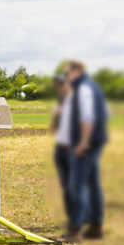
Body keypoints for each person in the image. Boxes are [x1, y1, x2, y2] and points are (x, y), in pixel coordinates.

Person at [65, 60, 108, 242]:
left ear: (76, 71)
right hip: (96, 141)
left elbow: (87, 117)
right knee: (93, 184)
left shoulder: (83, 89)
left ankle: (75, 230)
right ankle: (96, 226)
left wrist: (83, 142)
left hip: (86, 143)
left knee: (78, 185)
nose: (67, 77)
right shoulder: (94, 87)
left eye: (68, 73)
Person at [50, 75, 73, 222]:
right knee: (66, 186)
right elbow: (53, 129)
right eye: (58, 85)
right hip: (61, 148)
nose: (59, 88)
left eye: (62, 84)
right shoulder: (61, 102)